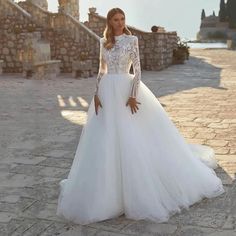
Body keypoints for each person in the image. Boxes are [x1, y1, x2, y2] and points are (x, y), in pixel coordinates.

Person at [56, 7, 225, 225]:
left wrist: (133, 95)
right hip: (107, 92)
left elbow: (137, 70)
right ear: (109, 21)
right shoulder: (103, 41)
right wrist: (96, 93)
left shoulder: (131, 40)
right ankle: (107, 190)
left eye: (122, 18)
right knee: (105, 139)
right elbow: (101, 70)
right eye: (115, 19)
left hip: (126, 90)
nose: (119, 22)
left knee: (130, 137)